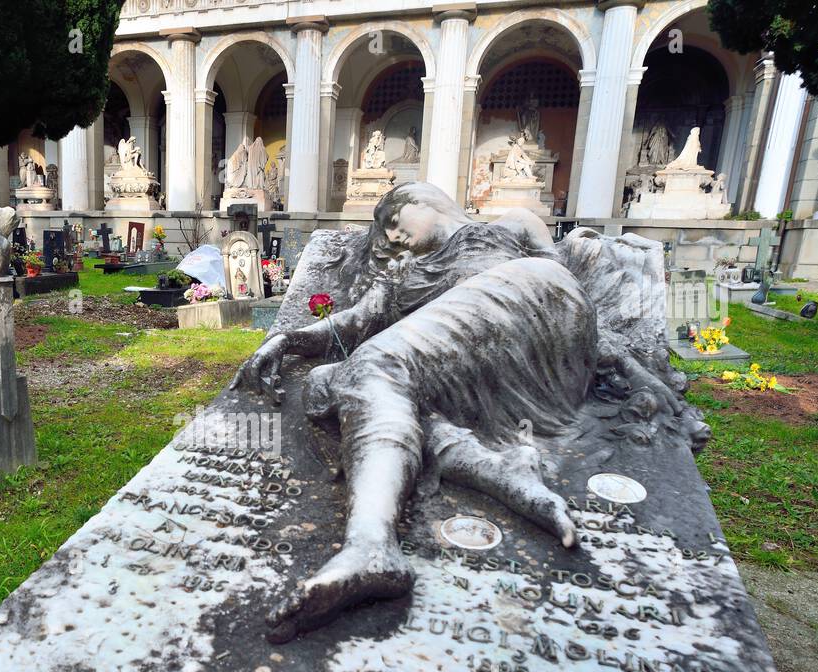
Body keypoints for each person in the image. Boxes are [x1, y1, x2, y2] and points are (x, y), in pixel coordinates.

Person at [231, 182, 698, 641]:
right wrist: (286, 337)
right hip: (470, 374)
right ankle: (490, 469)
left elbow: (566, 287)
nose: (392, 237)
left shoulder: (512, 224)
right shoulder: (400, 275)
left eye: (395, 218)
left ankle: (375, 541)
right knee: (327, 382)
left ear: (430, 199)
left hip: (539, 312)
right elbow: (350, 323)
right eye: (384, 234)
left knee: (373, 364)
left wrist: (638, 374)